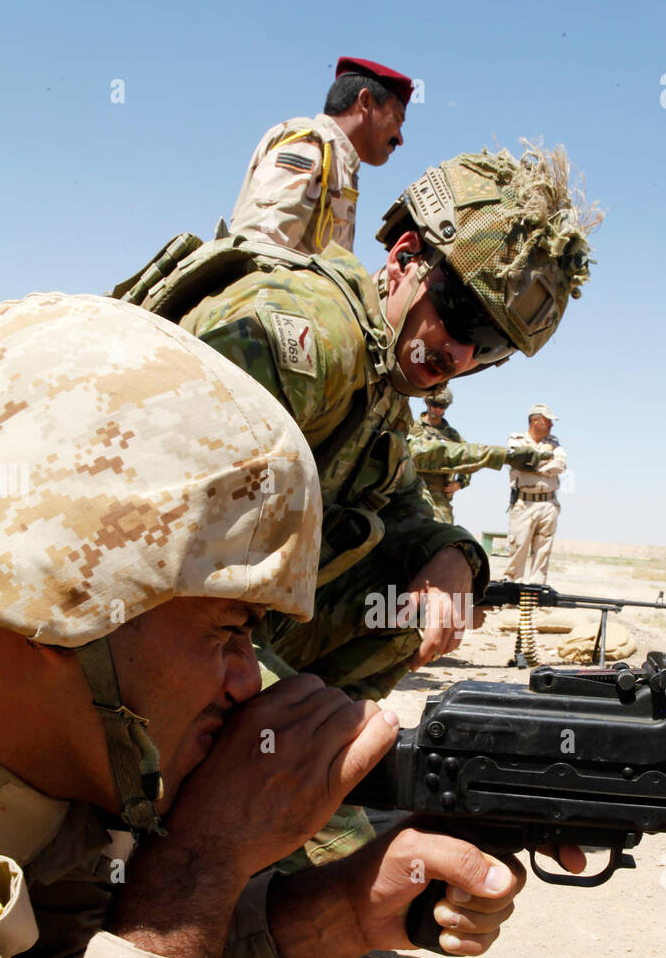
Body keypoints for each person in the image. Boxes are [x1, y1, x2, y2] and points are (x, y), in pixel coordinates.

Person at [0, 292, 556, 958]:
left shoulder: (53, 776)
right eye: (226, 629)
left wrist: (340, 912)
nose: (250, 680)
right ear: (58, 600)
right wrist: (197, 871)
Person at [120, 142, 600, 705]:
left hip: (208, 630)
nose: (464, 356)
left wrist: (451, 555)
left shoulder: (383, 376)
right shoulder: (311, 341)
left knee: (405, 603)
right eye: (462, 315)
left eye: (493, 347)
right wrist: (298, 729)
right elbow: (154, 555)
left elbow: (397, 497)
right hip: (124, 625)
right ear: (403, 258)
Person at [229, 56, 413, 255]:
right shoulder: (312, 144)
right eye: (397, 120)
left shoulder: (340, 165)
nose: (400, 138)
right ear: (365, 101)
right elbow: (255, 250)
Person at [407, 385, 541, 524]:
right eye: (434, 404)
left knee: (443, 535)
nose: (437, 409)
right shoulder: (413, 428)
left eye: (442, 406)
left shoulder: (452, 434)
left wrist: (460, 483)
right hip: (414, 490)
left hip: (440, 494)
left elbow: (468, 457)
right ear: (427, 403)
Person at [503, 404, 569, 585]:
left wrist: (534, 466)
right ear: (535, 421)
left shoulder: (554, 444)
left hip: (548, 504)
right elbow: (519, 462)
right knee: (518, 548)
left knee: (543, 552)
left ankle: (534, 595)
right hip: (524, 503)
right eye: (548, 421)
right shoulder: (516, 440)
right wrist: (543, 463)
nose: (551, 425)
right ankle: (512, 592)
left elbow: (560, 465)